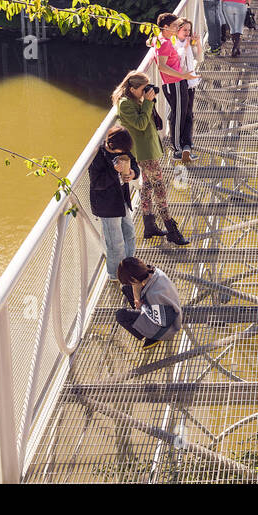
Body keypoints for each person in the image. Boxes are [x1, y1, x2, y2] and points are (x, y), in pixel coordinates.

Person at [114, 71, 189, 245]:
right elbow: (140, 124)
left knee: (147, 186)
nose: (145, 91)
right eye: (142, 89)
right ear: (132, 89)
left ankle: (149, 226)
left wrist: (148, 101)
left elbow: (148, 120)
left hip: (148, 149)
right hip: (144, 153)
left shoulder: (133, 99)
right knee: (160, 189)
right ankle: (171, 229)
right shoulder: (125, 104)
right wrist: (147, 102)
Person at [88, 124, 140, 278]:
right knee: (115, 243)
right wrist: (114, 171)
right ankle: (115, 274)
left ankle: (129, 266)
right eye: (121, 151)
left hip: (122, 200)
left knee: (129, 233)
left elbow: (134, 163)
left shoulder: (122, 148)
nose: (124, 153)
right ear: (111, 145)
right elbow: (97, 183)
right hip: (107, 206)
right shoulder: (98, 156)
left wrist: (133, 174)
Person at [150, 12, 199, 163]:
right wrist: (183, 76)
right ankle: (177, 150)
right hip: (174, 84)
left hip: (179, 83)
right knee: (178, 116)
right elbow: (162, 67)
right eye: (175, 26)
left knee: (183, 114)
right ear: (165, 27)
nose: (177, 28)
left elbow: (152, 42)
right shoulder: (164, 42)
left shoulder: (163, 39)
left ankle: (184, 146)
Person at [114, 256, 184, 349]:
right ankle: (142, 326)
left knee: (121, 315)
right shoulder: (154, 271)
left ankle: (150, 336)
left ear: (134, 279)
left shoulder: (152, 295)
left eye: (132, 282)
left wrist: (141, 306)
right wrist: (137, 296)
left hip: (166, 328)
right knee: (126, 288)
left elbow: (162, 321)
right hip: (163, 309)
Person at [173, 17, 201, 161]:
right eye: (184, 30)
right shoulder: (174, 43)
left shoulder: (188, 43)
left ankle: (187, 147)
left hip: (190, 82)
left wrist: (197, 43)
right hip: (179, 82)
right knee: (180, 115)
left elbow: (199, 58)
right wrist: (186, 47)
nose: (187, 33)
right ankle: (180, 146)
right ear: (176, 30)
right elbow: (177, 60)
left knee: (189, 114)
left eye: (189, 30)